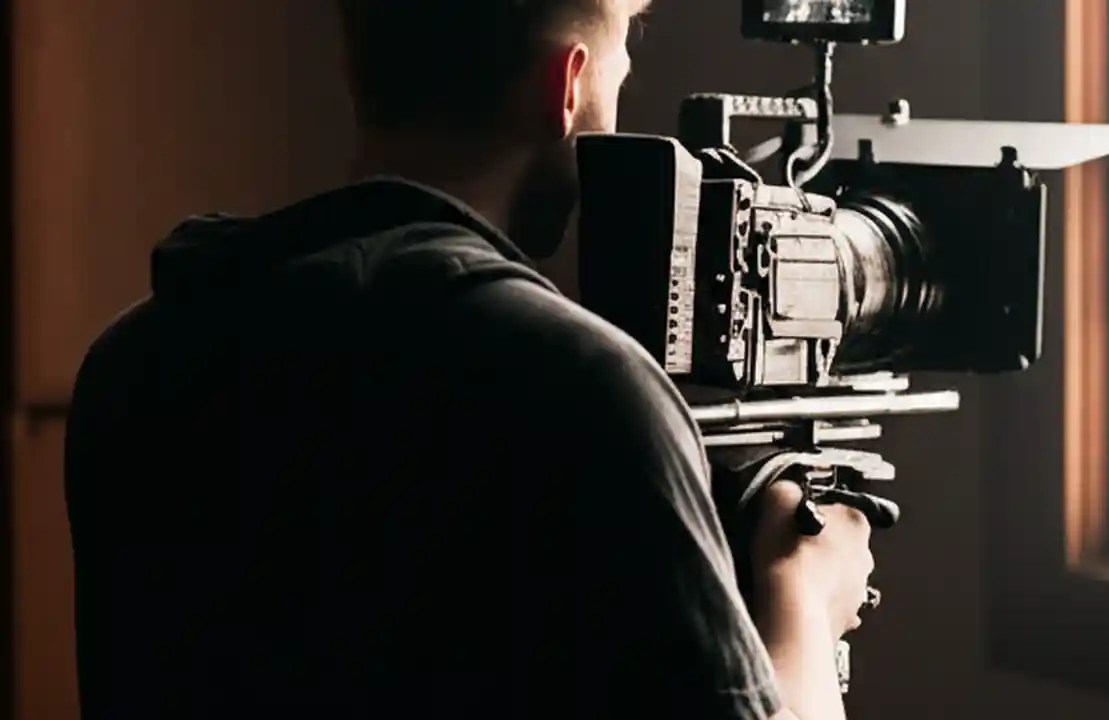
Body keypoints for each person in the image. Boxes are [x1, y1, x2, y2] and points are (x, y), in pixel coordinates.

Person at [63, 1, 877, 718]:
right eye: (623, 60)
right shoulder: (580, 388)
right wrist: (803, 596)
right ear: (568, 86)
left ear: (357, 69)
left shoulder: (138, 359)